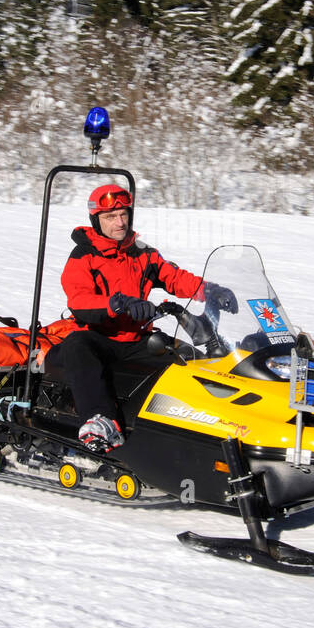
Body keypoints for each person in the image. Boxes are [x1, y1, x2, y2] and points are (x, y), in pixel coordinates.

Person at [55, 184, 234, 452]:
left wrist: (208, 290)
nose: (119, 222)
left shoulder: (142, 252)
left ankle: (215, 418)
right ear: (96, 220)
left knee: (186, 355)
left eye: (123, 214)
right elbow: (78, 300)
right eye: (110, 216)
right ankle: (99, 420)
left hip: (138, 338)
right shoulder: (84, 255)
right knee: (77, 345)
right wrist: (117, 304)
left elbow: (173, 276)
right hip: (99, 337)